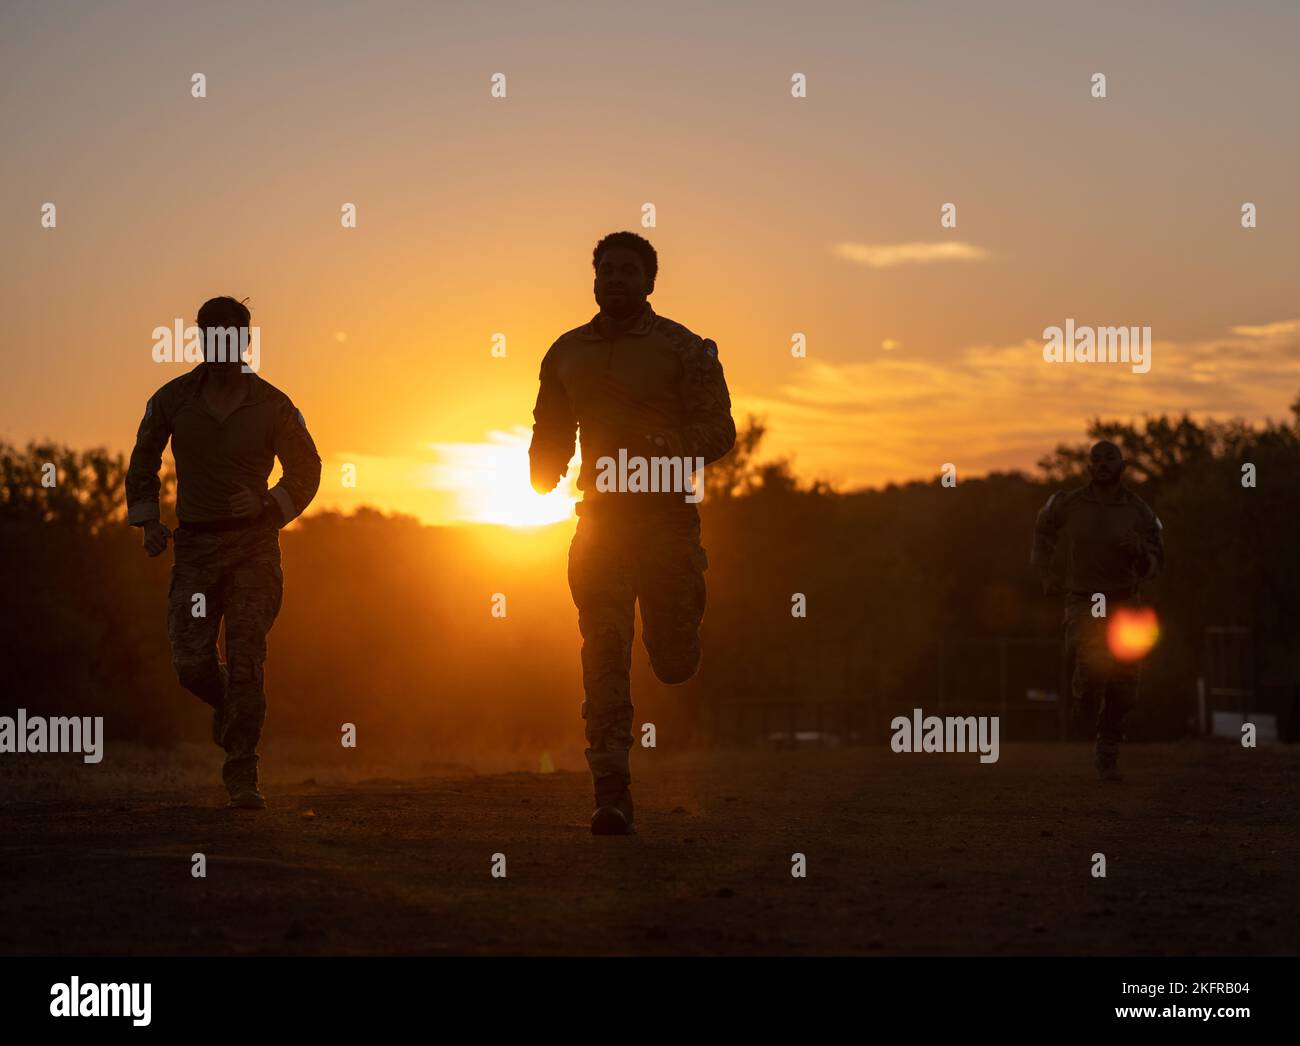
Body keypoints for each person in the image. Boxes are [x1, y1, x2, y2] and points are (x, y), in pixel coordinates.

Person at [529, 232, 736, 834]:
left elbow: (720, 431)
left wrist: (676, 446)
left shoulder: (684, 348)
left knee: (672, 661)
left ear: (649, 282)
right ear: (594, 280)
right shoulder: (565, 352)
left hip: (669, 522)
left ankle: (684, 619)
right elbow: (551, 424)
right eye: (606, 270)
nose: (615, 279)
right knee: (604, 648)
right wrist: (544, 465)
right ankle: (611, 790)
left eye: (628, 270)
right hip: (600, 524)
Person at [125, 296, 321, 808]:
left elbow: (307, 469)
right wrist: (147, 519)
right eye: (212, 336)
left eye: (233, 337)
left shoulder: (273, 405)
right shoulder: (172, 399)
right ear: (201, 340)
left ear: (246, 342)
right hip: (194, 546)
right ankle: (228, 709)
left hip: (253, 545)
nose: (223, 347)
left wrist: (268, 502)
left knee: (246, 655)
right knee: (190, 662)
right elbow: (144, 456)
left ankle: (242, 771)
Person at [1031, 440, 1164, 780]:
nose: (1103, 464)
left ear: (1122, 465)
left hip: (1124, 601)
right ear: (1089, 467)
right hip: (1085, 599)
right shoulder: (1069, 503)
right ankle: (1084, 700)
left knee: (1125, 685)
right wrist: (1046, 573)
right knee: (1091, 663)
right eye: (1097, 459)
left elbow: (1157, 560)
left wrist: (1140, 552)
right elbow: (1043, 530)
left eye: (1109, 458)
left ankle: (1108, 751)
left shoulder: (1139, 510)